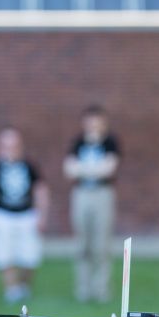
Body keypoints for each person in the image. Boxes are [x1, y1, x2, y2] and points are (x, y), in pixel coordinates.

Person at [0, 127, 50, 303]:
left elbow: (40, 189)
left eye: (14, 145)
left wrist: (42, 215)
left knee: (30, 257)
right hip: (2, 216)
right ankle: (12, 289)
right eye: (6, 145)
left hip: (26, 215)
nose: (10, 149)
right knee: (3, 255)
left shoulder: (29, 166)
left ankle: (23, 286)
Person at [63, 105, 121, 303]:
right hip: (81, 194)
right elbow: (69, 170)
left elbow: (109, 170)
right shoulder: (78, 142)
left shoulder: (110, 142)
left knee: (101, 244)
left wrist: (83, 169)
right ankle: (83, 290)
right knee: (82, 243)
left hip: (102, 194)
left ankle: (101, 290)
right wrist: (95, 168)